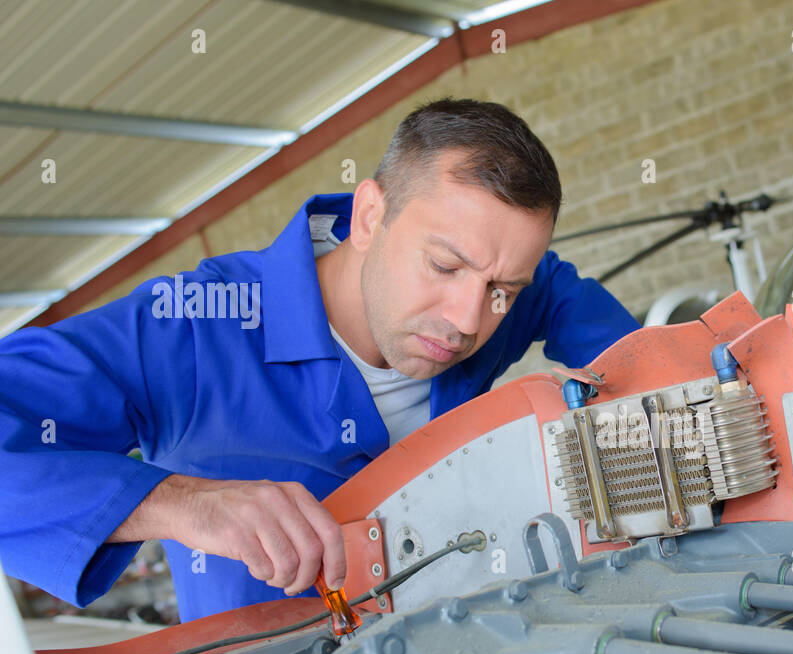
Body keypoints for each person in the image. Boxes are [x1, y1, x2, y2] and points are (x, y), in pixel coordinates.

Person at [0, 98, 640, 622]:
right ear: (368, 216)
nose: (468, 320)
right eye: (444, 266)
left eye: (503, 292)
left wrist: (631, 389)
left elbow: (565, 300)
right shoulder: (191, 326)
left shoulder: (495, 288)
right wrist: (179, 503)